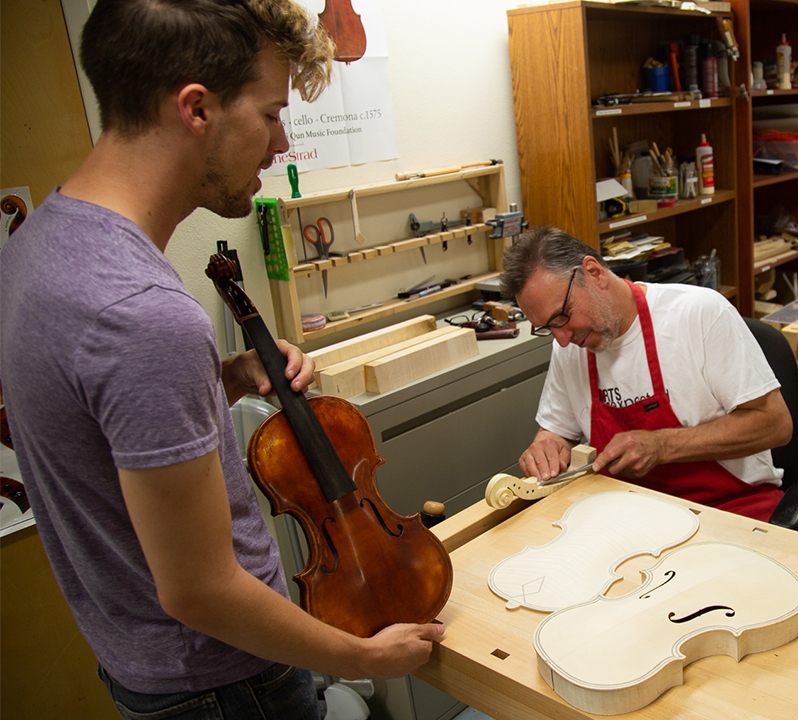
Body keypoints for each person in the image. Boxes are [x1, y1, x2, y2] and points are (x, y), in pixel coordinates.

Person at [0, 2, 442, 717]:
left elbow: (95, 413)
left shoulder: (38, 246)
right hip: (227, 686)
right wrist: (364, 656)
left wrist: (225, 378)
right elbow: (199, 589)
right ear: (197, 109)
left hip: (142, 668)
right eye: (270, 114)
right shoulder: (142, 313)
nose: (281, 143)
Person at [501, 226, 793, 522]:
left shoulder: (699, 314)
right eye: (546, 328)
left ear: (594, 272)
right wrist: (546, 447)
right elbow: (557, 429)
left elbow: (775, 424)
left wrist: (662, 445)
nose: (561, 338)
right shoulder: (570, 344)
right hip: (630, 514)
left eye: (562, 317)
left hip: (729, 509)